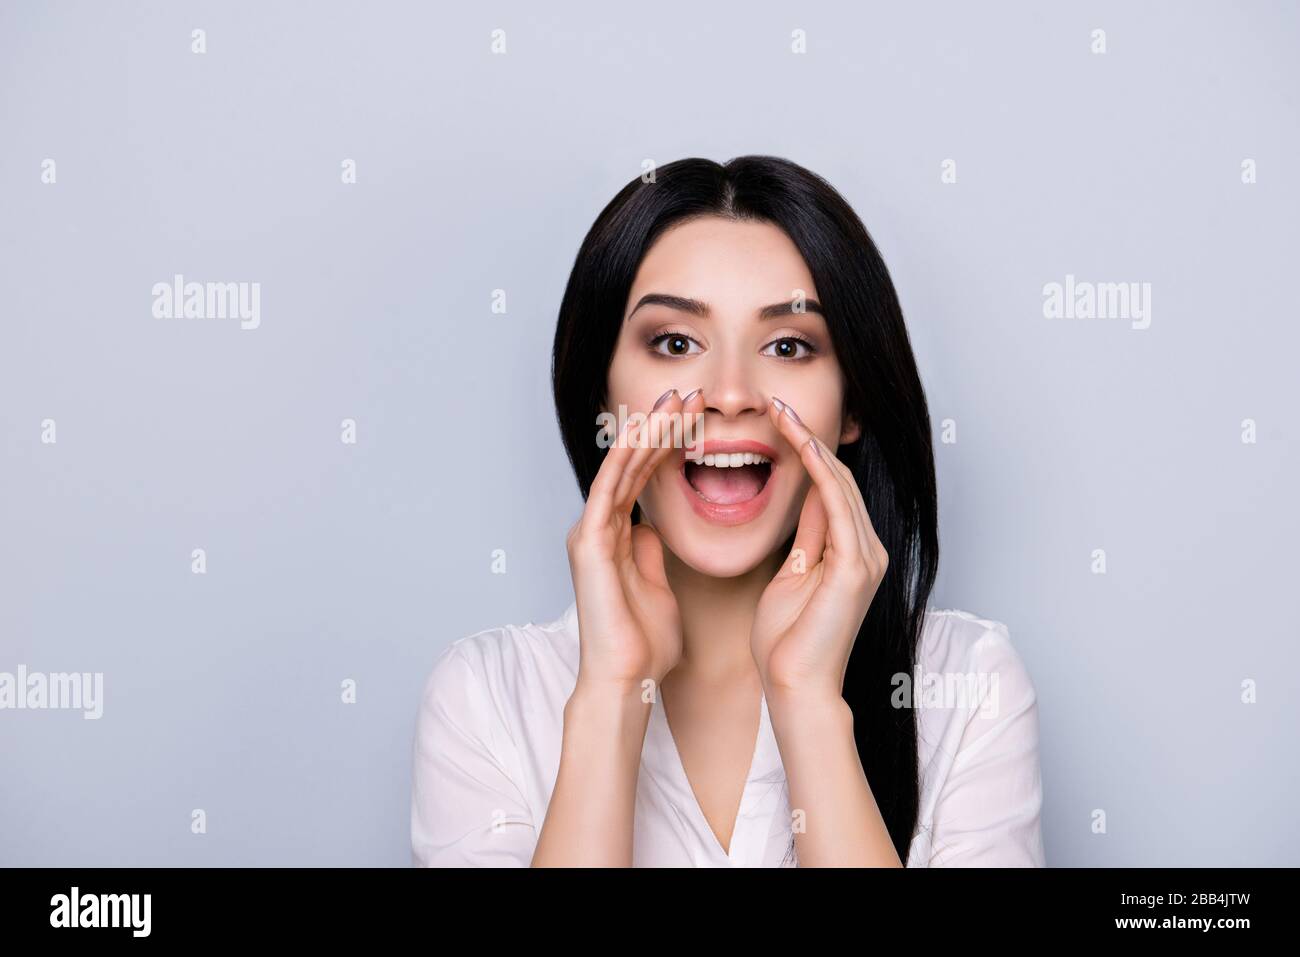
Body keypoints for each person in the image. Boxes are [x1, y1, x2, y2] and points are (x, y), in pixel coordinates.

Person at [411, 156, 1046, 867]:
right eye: (676, 343)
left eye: (788, 346)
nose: (731, 392)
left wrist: (806, 698)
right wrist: (613, 693)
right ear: (602, 394)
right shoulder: (485, 700)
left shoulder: (966, 687)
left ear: (853, 404)